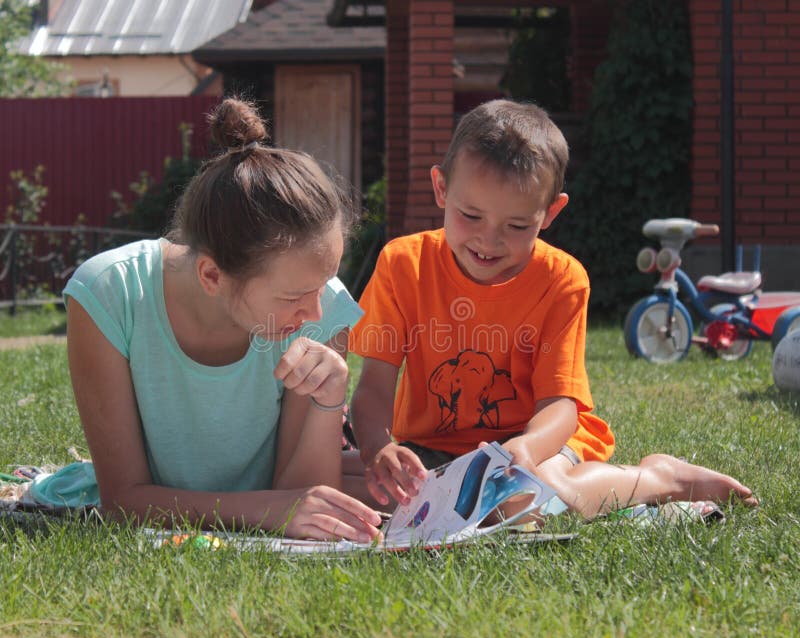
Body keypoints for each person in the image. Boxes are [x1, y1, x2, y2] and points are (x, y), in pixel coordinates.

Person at [347, 99, 756, 518]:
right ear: (441, 188)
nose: (489, 241)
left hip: (540, 442)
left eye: (517, 226)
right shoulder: (403, 264)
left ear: (551, 213)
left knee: (524, 500)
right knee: (346, 485)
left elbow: (559, 407)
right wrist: (379, 449)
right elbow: (375, 385)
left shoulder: (562, 280)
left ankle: (661, 479)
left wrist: (525, 448)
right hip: (433, 449)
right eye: (470, 215)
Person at [64, 98, 382, 542]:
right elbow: (122, 502)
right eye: (294, 295)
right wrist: (265, 509)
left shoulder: (322, 309)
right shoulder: (110, 295)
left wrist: (329, 401)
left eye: (325, 282)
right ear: (212, 274)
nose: (316, 312)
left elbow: (306, 499)